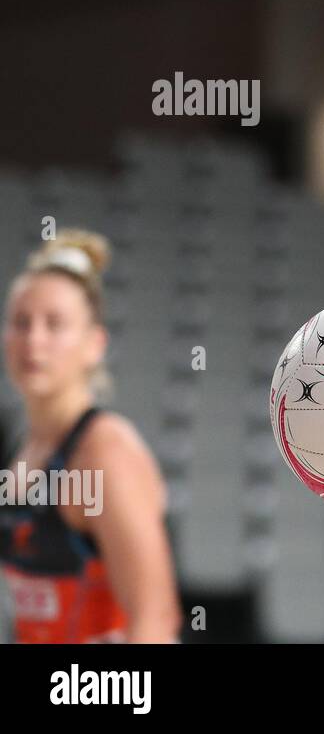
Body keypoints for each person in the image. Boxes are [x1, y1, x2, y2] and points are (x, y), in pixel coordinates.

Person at [0, 229, 181, 643]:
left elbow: (155, 621)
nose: (34, 340)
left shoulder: (106, 451)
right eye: (20, 322)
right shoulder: (23, 447)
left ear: (94, 344)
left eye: (55, 324)